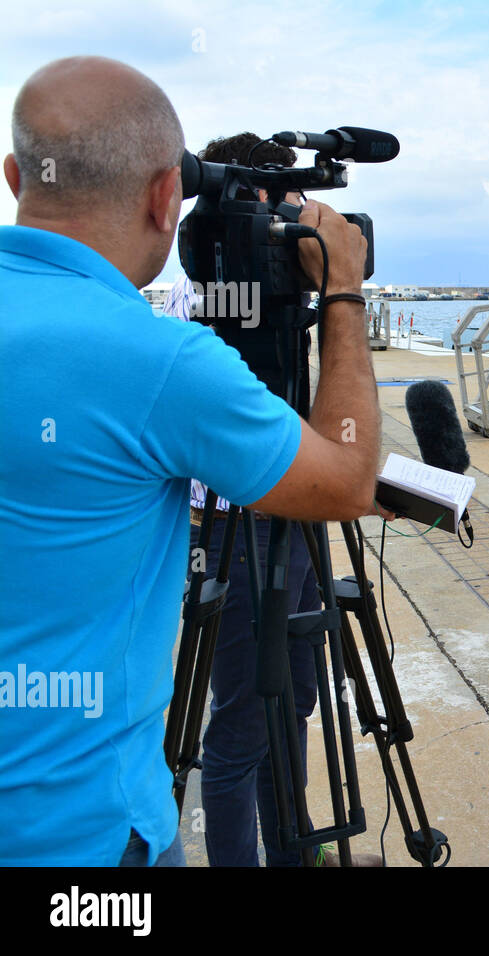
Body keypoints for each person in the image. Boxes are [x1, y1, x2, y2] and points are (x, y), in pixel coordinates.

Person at [0, 57, 379, 866]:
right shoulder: (158, 357)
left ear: (13, 176)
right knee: (240, 726)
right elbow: (344, 479)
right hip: (80, 841)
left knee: (276, 709)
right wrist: (341, 287)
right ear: (168, 196)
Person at [173, 132, 367, 867]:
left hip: (291, 515)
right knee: (241, 726)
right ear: (252, 201)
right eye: (288, 199)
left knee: (297, 702)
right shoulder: (216, 284)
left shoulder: (264, 284)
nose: (299, 221)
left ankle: (295, 849)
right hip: (238, 523)